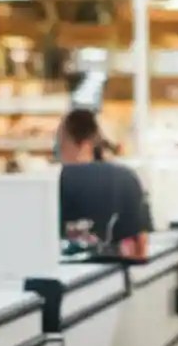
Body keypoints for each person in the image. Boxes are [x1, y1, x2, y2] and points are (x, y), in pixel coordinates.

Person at [56, 110, 151, 259]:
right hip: (113, 275)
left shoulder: (57, 181)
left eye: (61, 144)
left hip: (68, 275)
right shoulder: (126, 177)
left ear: (82, 144)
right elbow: (141, 247)